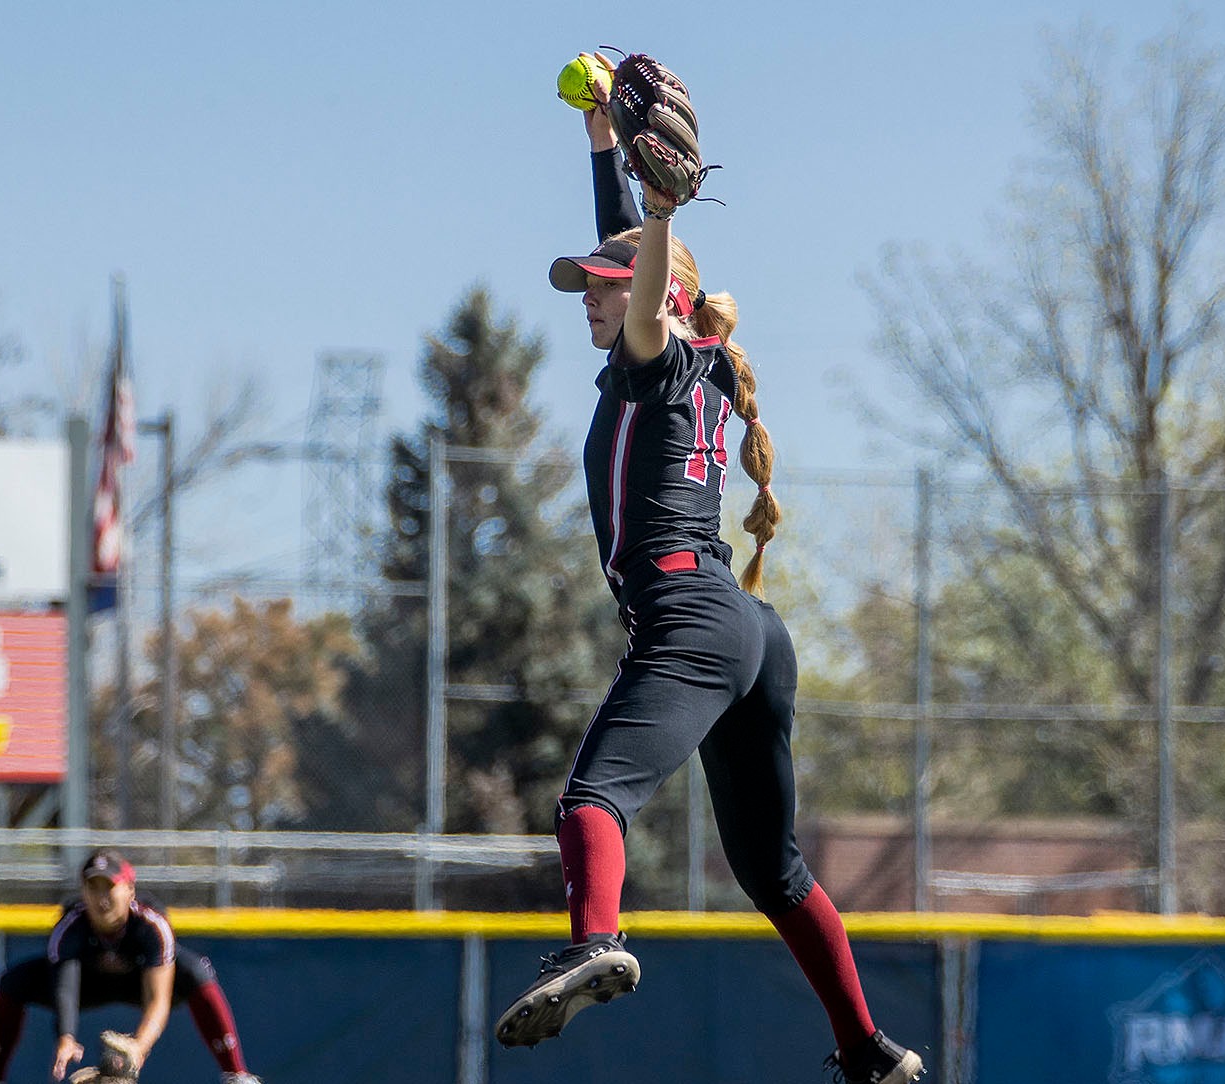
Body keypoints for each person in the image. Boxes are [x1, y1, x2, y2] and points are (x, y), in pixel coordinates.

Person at [490, 59, 924, 1084]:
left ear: (658, 297)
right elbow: (645, 265)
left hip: (689, 616)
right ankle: (867, 1050)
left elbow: (650, 286)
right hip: (747, 629)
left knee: (589, 801)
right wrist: (602, 144)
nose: (590, 302)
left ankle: (595, 942)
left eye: (606, 286)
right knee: (774, 871)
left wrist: (653, 213)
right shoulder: (698, 359)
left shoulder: (658, 352)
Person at [0, 848, 261, 1084]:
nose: (101, 896)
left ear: (130, 889)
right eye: (92, 887)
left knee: (196, 970)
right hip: (88, 986)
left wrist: (139, 1047)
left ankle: (236, 1073)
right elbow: (65, 990)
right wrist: (66, 1037)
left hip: (140, 985)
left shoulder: (151, 925)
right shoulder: (71, 927)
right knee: (14, 980)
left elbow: (158, 1001)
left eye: (109, 885)